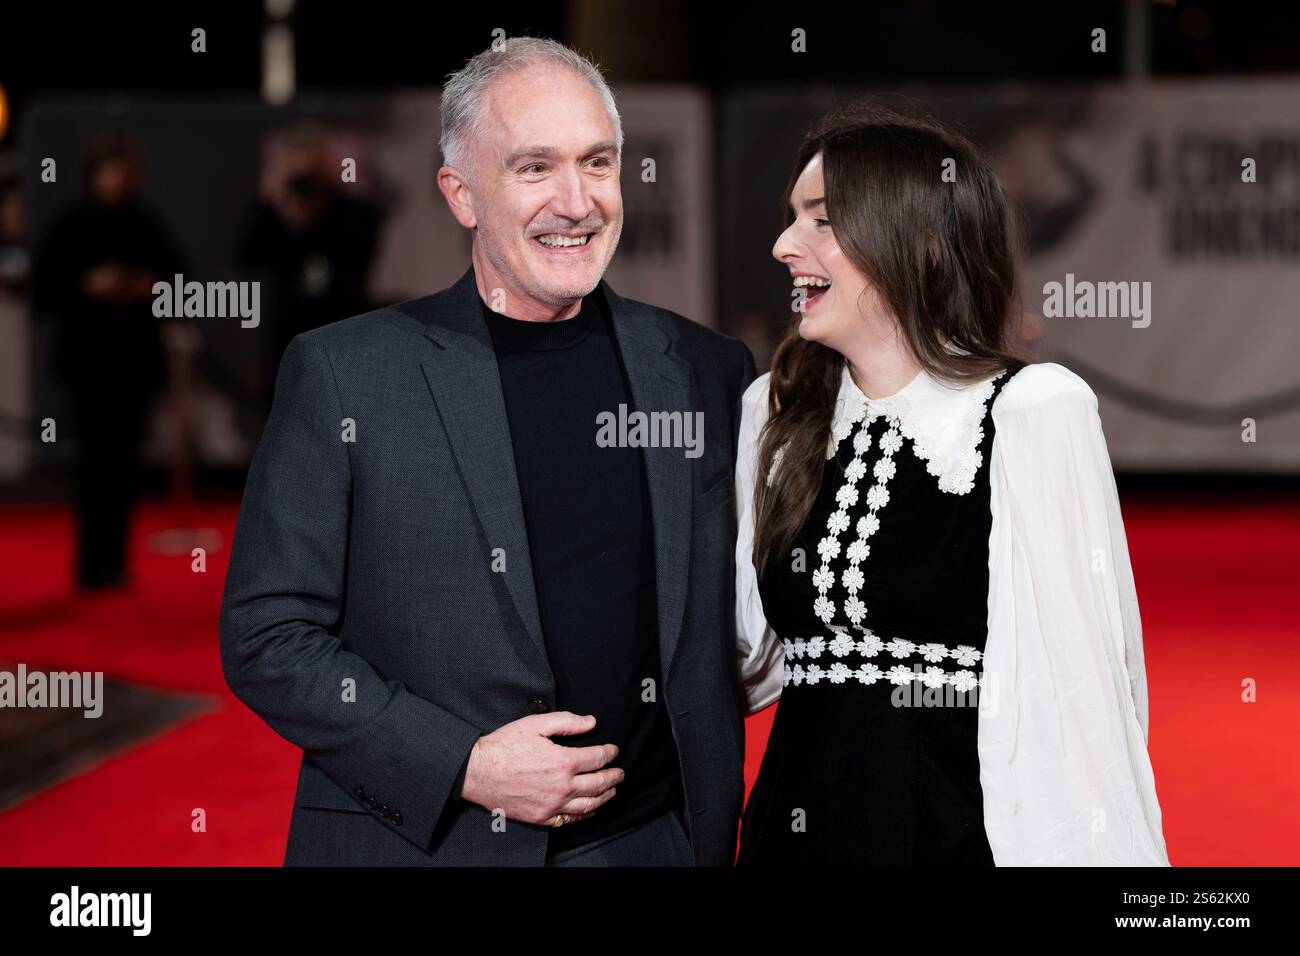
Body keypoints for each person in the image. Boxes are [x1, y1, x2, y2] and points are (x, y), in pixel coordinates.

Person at [219, 37, 756, 867]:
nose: (576, 202)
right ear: (461, 195)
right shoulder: (346, 375)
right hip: (434, 845)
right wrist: (464, 765)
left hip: (657, 844)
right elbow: (267, 634)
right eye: (534, 168)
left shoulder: (705, 372)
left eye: (598, 163)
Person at [733, 105, 1170, 865]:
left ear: (925, 246)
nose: (782, 246)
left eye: (823, 221)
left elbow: (1084, 698)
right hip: (793, 834)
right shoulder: (774, 409)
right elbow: (740, 654)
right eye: (789, 218)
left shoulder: (1034, 412)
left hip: (955, 838)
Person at [32, 135, 186, 591]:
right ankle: (89, 563)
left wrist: (144, 286)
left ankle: (116, 562)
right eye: (110, 171)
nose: (118, 181)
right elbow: (44, 292)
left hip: (134, 365)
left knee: (124, 464)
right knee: (93, 464)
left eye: (125, 172)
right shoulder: (71, 227)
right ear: (94, 175)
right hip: (86, 365)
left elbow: (181, 281)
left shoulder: (145, 224)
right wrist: (87, 286)